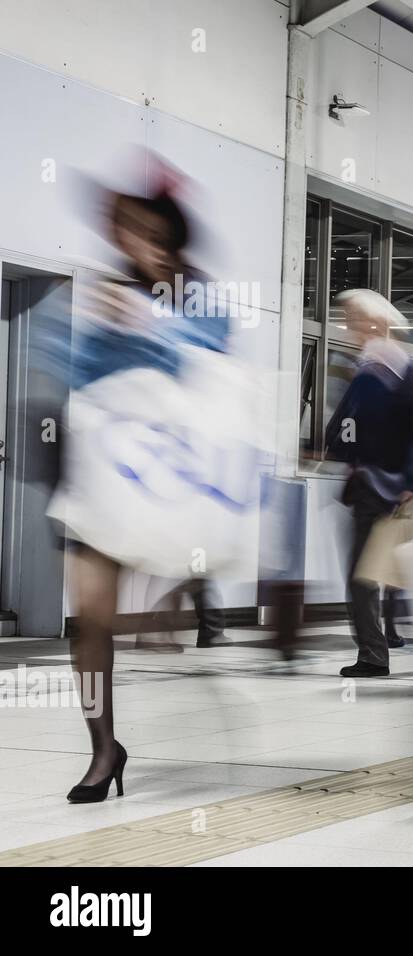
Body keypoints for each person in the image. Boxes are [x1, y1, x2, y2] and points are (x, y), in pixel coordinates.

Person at [57, 174, 231, 803]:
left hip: (172, 478)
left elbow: (215, 367)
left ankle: (177, 600)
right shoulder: (108, 289)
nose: (129, 239)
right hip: (103, 475)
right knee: (90, 620)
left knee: (158, 583)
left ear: (169, 236)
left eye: (144, 229)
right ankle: (104, 748)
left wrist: (154, 327)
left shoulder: (202, 296)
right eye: (123, 228)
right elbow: (76, 369)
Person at [325, 289, 413, 679]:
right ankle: (376, 651)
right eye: (348, 318)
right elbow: (340, 430)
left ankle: (377, 653)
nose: (349, 326)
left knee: (372, 574)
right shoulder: (366, 370)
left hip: (392, 491)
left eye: (355, 318)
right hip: (378, 490)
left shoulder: (405, 375)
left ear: (379, 324)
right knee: (369, 574)